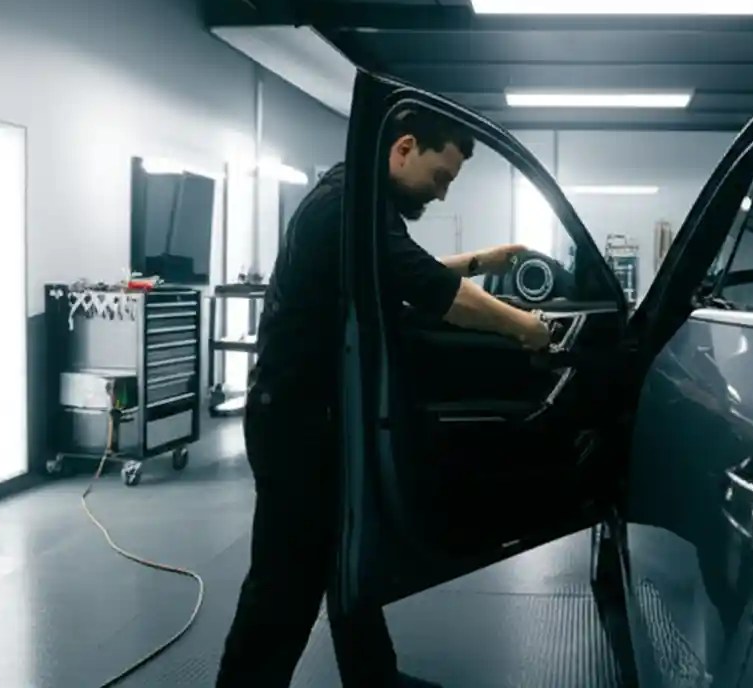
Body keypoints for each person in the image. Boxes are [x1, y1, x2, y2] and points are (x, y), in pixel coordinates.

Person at [216, 107, 552, 687]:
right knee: (285, 583)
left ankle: (374, 680)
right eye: (441, 177)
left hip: (315, 416)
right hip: (296, 424)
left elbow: (390, 272)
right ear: (403, 148)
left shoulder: (355, 201)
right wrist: (526, 328)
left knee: (348, 558)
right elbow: (428, 288)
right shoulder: (347, 206)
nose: (442, 194)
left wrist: (481, 261)